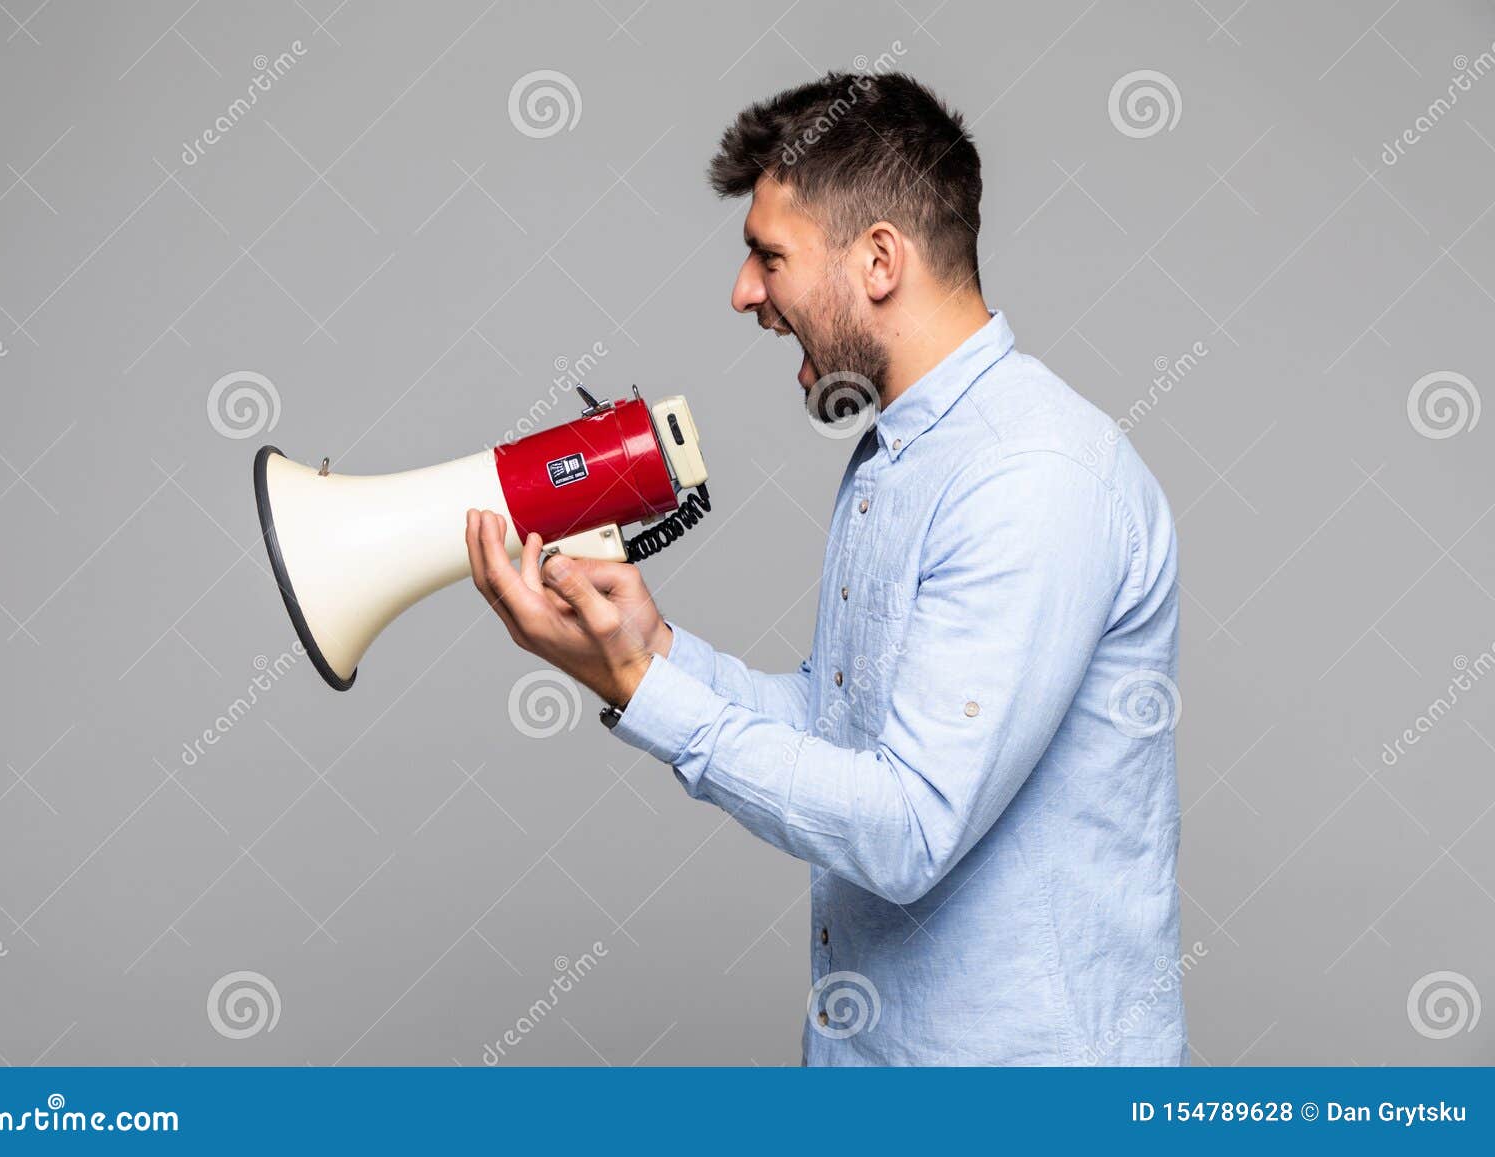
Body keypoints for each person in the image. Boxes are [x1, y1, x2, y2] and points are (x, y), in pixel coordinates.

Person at [466, 72, 1185, 1066]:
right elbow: (837, 730)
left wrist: (645, 694)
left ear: (879, 259)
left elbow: (907, 826)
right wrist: (650, 654)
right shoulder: (898, 455)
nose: (743, 292)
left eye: (769, 256)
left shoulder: (1032, 476)